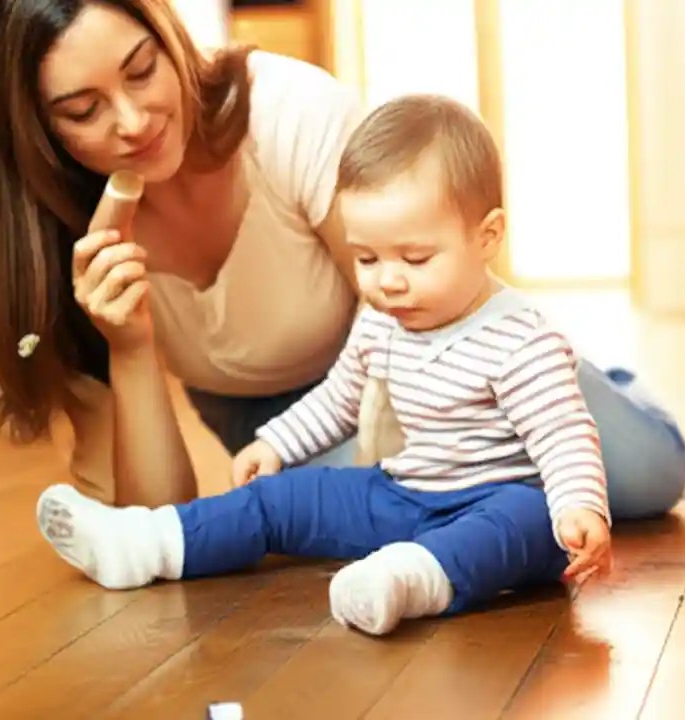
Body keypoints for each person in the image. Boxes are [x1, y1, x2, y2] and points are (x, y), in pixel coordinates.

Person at [0, 0, 685, 521]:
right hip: (282, 422)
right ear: (36, 131)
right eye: (83, 111)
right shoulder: (53, 240)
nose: (134, 121)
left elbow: (409, 309)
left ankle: (593, 382)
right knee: (373, 507)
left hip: (433, 350)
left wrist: (455, 443)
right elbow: (159, 520)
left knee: (644, 477)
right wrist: (133, 344)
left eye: (142, 70)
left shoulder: (284, 113)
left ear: (166, 34)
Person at [35, 94, 612, 636]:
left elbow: (563, 435)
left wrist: (580, 507)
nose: (388, 280)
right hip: (405, 492)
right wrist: (277, 445)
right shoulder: (384, 319)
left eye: (416, 258)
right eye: (367, 257)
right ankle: (147, 543)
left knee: (523, 520)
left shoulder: (519, 338)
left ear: (487, 237)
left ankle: (409, 579)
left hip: (496, 498)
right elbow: (338, 399)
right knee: (281, 499)